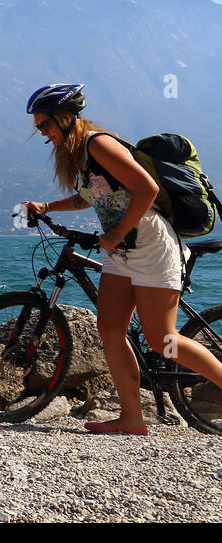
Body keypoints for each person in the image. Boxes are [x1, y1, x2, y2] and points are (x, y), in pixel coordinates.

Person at [20, 83, 222, 435]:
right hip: (122, 249)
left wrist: (114, 233)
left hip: (150, 244)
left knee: (162, 339)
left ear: (65, 119)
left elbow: (147, 189)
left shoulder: (98, 143)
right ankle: (132, 418)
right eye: (39, 127)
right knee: (110, 328)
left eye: (45, 125)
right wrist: (48, 206)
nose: (43, 133)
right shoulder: (80, 153)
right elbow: (90, 197)